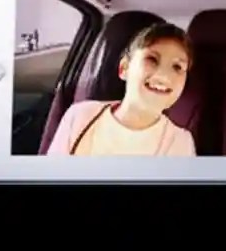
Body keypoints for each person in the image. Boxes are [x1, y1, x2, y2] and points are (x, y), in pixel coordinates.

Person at [46, 22, 196, 156]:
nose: (164, 76)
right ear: (124, 68)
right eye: (152, 59)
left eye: (177, 67)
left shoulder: (180, 142)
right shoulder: (79, 116)